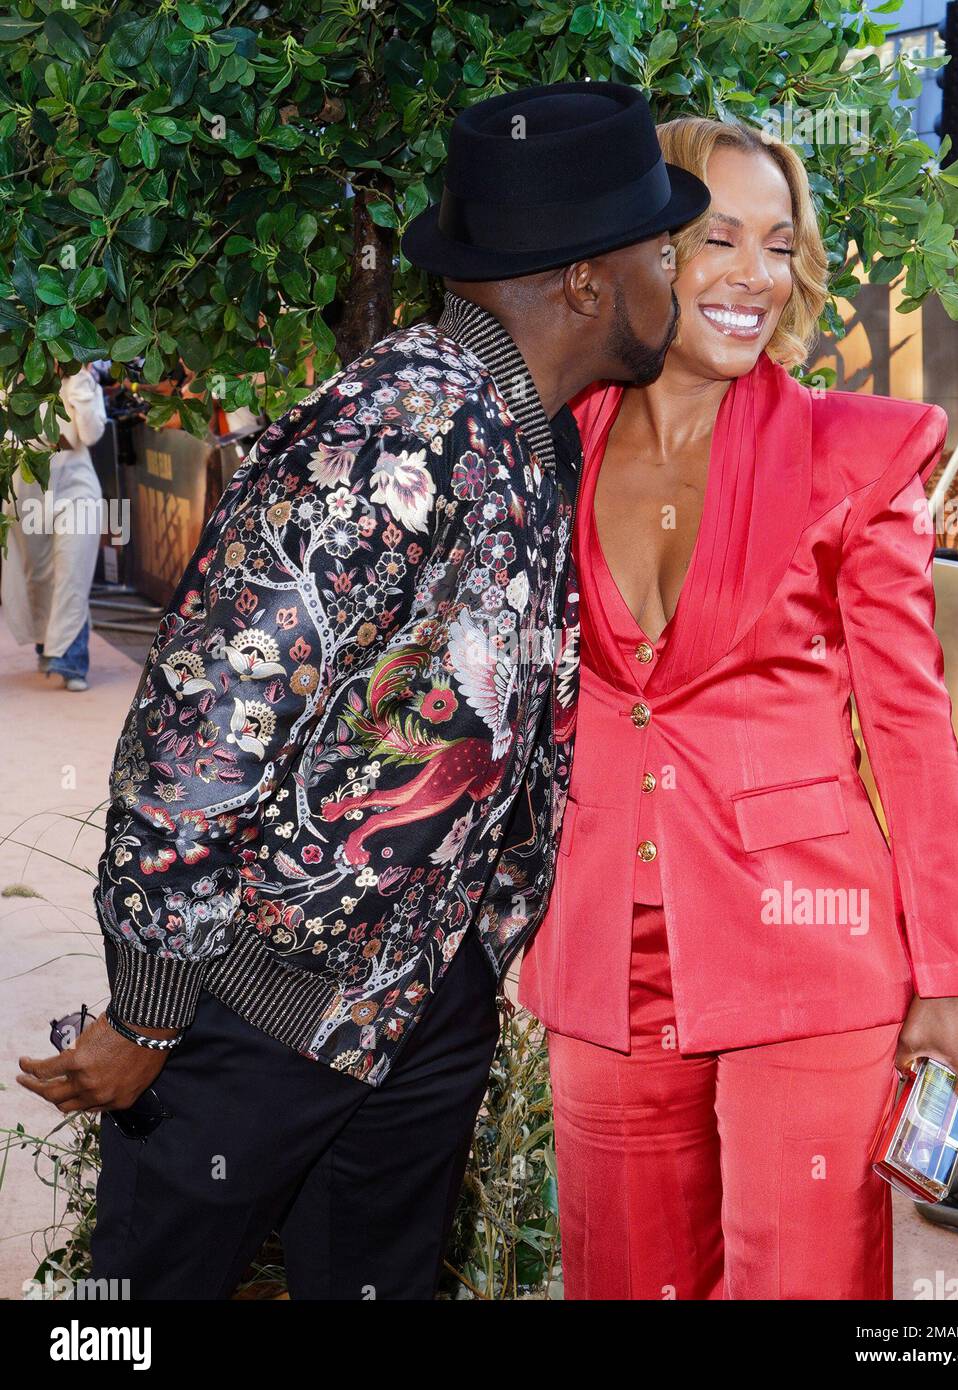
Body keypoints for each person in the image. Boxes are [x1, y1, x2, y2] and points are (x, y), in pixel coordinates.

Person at [17, 81, 708, 1300]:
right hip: (253, 1015)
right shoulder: (395, 429)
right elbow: (200, 728)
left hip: (421, 999)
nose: (681, 273)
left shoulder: (529, 434)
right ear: (590, 283)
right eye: (665, 247)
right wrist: (154, 1008)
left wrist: (478, 955)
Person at [517, 115, 958, 1301]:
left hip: (805, 937)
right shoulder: (551, 441)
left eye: (777, 245)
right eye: (718, 237)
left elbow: (908, 726)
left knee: (802, 1279)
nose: (753, 275)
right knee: (625, 1276)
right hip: (601, 939)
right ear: (640, 255)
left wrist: (947, 972)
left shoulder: (856, 451)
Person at [2, 364, 107, 690]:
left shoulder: (82, 379)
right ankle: (47, 645)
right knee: (40, 573)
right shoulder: (10, 379)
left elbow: (91, 434)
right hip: (25, 484)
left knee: (73, 571)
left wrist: (78, 381)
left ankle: (72, 661)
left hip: (76, 481)